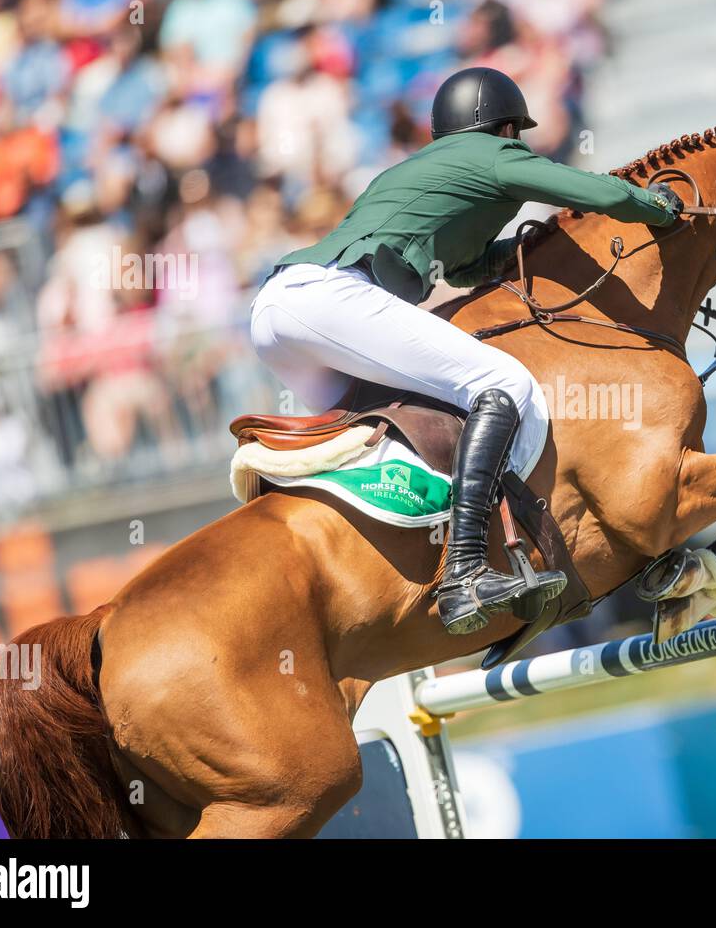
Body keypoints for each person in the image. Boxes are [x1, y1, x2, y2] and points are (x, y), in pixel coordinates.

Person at [249, 67, 684, 636]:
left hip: (280, 312)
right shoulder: (493, 154)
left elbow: (455, 265)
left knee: (390, 441)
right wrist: (654, 205)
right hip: (329, 300)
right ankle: (465, 571)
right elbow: (587, 191)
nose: (518, 144)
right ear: (504, 126)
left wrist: (509, 254)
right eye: (515, 134)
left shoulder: (414, 171)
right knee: (503, 386)